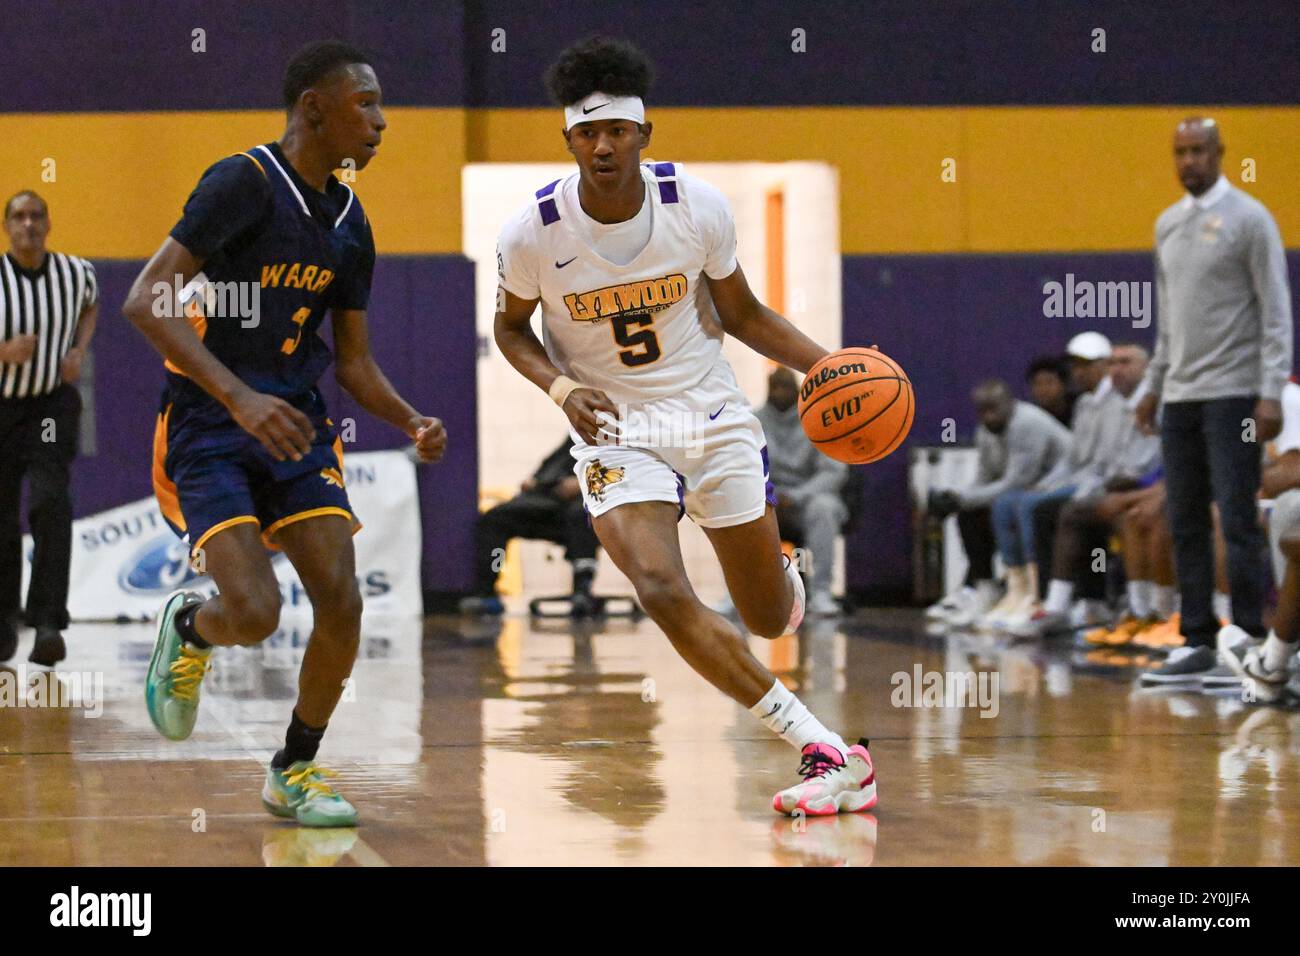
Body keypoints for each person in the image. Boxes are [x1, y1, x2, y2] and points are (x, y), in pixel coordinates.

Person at [493, 36, 874, 816]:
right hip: (616, 432)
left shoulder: (695, 206)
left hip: (709, 413)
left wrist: (828, 366)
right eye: (586, 133)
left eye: (618, 132)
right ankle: (823, 748)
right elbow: (509, 332)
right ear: (568, 140)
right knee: (660, 586)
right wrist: (562, 389)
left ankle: (783, 576)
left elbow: (742, 315)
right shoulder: (532, 232)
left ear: (644, 134)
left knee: (768, 614)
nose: (602, 146)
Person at [122, 41, 446, 827]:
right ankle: (192, 626)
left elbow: (356, 364)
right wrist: (237, 398)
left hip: (297, 425)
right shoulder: (244, 182)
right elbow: (144, 299)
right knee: (258, 612)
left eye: (379, 104)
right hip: (208, 422)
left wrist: (408, 418)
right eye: (364, 102)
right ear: (313, 108)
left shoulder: (350, 221)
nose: (380, 120)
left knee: (341, 602)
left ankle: (295, 767)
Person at [1136, 117, 1293, 685]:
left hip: (1234, 394)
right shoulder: (1167, 225)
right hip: (1180, 396)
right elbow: (1168, 321)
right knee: (1183, 520)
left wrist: (1270, 390)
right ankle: (1198, 637)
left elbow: (1275, 309)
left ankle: (1250, 634)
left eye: (1199, 151)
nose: (1189, 162)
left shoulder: (1250, 219)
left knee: (1237, 516)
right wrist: (1154, 383)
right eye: (1180, 152)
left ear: (1220, 153)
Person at [0, 192, 98, 666]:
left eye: (37, 215)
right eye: (18, 216)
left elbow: (91, 305)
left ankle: (46, 623)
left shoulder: (75, 273)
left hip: (47, 409)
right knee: (2, 520)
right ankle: (3, 624)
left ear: (49, 223)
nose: (28, 224)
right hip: (1, 409)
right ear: (6, 228)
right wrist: (3, 354)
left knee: (48, 501)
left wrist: (79, 350)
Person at [1009, 343, 1161, 638]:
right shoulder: (1096, 404)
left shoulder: (1155, 403)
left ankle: (1143, 609)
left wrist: (1118, 489)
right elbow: (1091, 461)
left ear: (1147, 369)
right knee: (1072, 513)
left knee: (1105, 513)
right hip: (1112, 486)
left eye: (1125, 363)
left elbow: (1153, 463)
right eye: (1114, 363)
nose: (1117, 370)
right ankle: (1058, 604)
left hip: (1147, 488)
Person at [981, 331, 1113, 630]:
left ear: (1103, 366)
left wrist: (1074, 488)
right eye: (1075, 366)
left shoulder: (1117, 402)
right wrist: (1047, 485)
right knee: (1017, 503)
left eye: (1086, 365)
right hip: (1081, 480)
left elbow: (1105, 463)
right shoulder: (1084, 405)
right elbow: (1074, 459)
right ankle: (1021, 590)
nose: (1079, 372)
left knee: (1040, 509)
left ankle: (1051, 597)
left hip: (1102, 484)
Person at [925, 378, 1071, 628]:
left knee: (1012, 505)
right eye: (982, 410)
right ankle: (985, 588)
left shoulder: (1027, 423)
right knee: (970, 515)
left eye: (994, 409)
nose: (989, 416)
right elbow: (984, 479)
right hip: (1028, 491)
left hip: (1062, 485)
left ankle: (1032, 590)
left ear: (1010, 404)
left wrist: (961, 499)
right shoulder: (986, 431)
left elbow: (1017, 482)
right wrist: (956, 498)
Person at [1218, 378, 1300, 701]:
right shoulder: (1226, 407)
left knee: (1293, 524)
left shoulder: (1285, 398)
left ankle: (1274, 660)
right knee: (1289, 511)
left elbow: (1292, 471)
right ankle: (1284, 650)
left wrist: (1242, 487)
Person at [463, 436, 601, 616]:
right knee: (495, 518)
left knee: (582, 515)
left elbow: (629, 473)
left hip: (591, 507)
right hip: (551, 502)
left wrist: (584, 484)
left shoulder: (624, 433)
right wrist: (535, 481)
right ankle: (489, 588)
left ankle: (583, 589)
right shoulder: (577, 434)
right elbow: (550, 467)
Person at [754, 367, 849, 617]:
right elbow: (746, 469)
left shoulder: (819, 421)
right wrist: (771, 494)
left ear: (796, 389)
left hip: (808, 501)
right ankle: (742, 595)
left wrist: (796, 496)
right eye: (776, 387)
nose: (780, 392)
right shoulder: (753, 422)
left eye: (785, 386)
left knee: (824, 508)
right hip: (771, 502)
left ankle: (821, 592)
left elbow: (833, 472)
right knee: (741, 507)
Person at [1026, 354, 1075, 427]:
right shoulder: (1030, 416)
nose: (1043, 389)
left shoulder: (1080, 409)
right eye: (1038, 383)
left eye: (1049, 382)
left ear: (1063, 385)